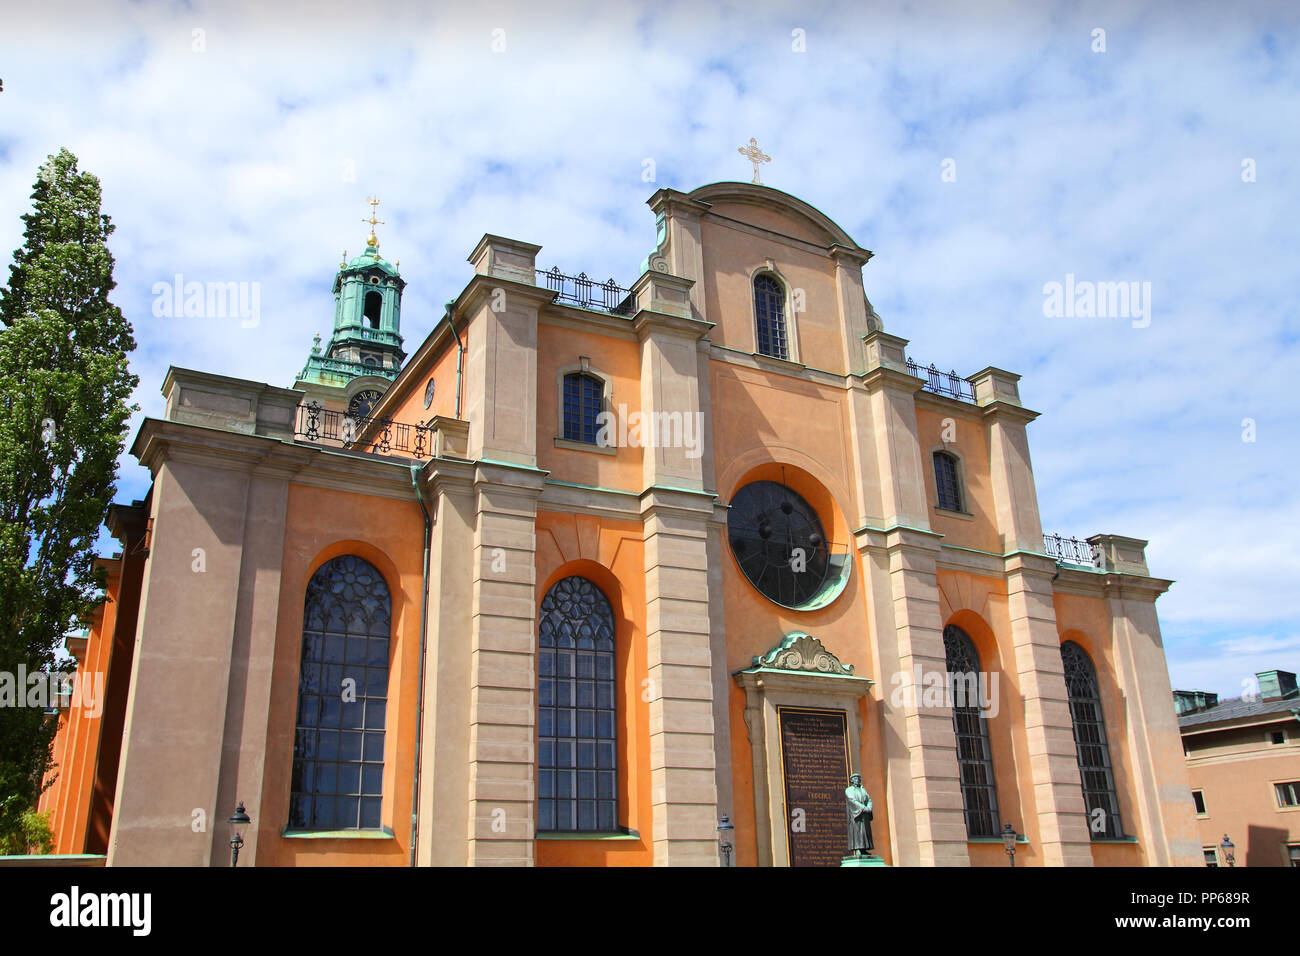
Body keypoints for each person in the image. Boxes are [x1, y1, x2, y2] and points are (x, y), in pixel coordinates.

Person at [845, 773, 874, 856]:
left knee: (865, 832)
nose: (857, 780)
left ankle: (864, 849)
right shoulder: (849, 790)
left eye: (858, 778)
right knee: (857, 832)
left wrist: (869, 807)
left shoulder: (862, 789)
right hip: (856, 815)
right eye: (855, 779)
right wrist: (863, 808)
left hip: (864, 815)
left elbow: (869, 799)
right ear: (852, 781)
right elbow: (852, 801)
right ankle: (858, 848)